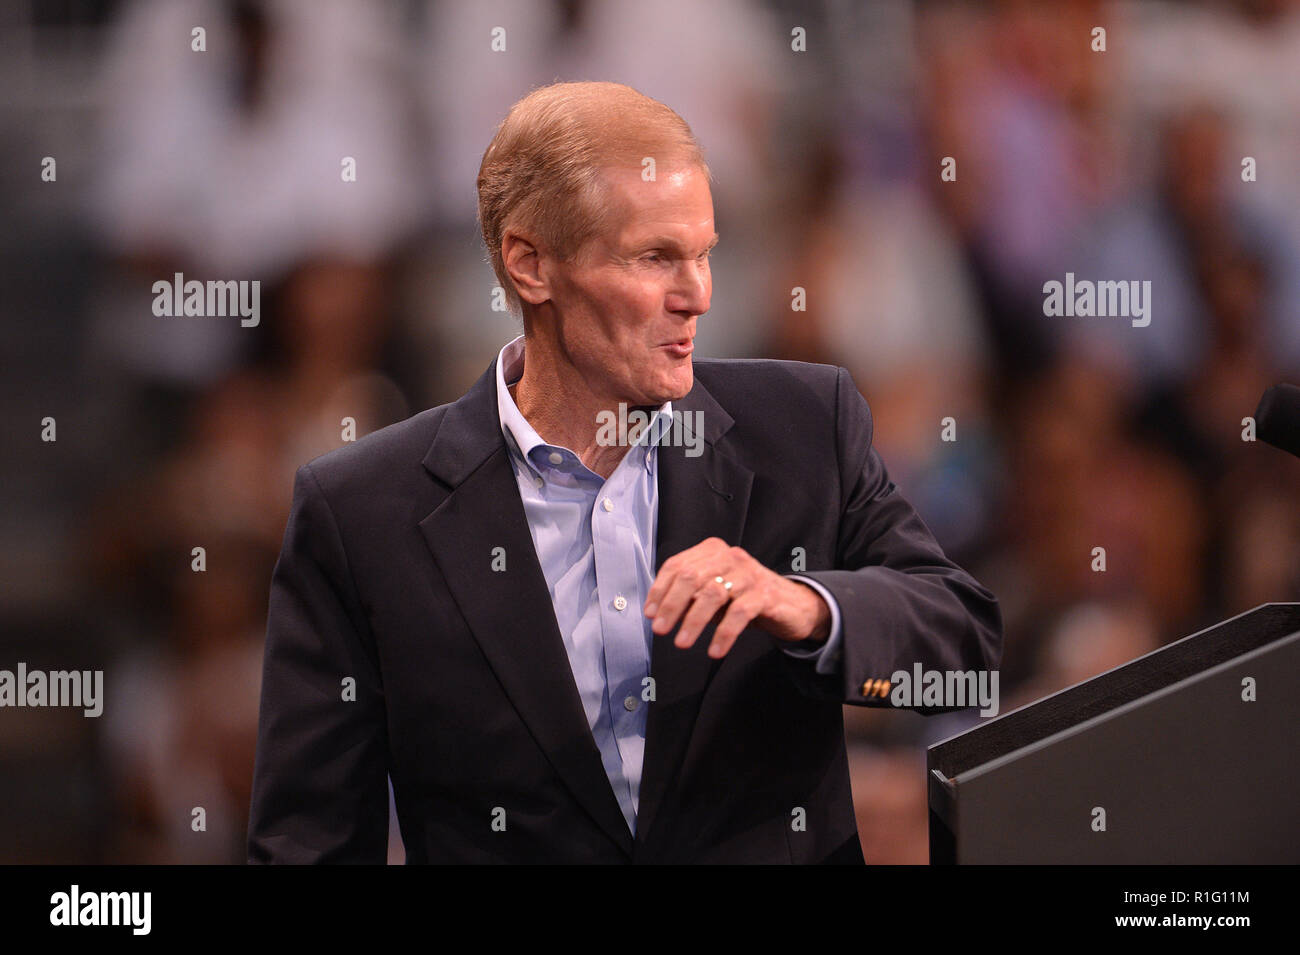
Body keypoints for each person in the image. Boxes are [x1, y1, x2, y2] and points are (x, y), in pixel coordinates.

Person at [247, 81, 1002, 863]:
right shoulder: (363, 513)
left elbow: (962, 645)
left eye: (705, 254)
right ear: (531, 264)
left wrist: (805, 603)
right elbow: (310, 843)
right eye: (655, 258)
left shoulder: (804, 426)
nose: (698, 295)